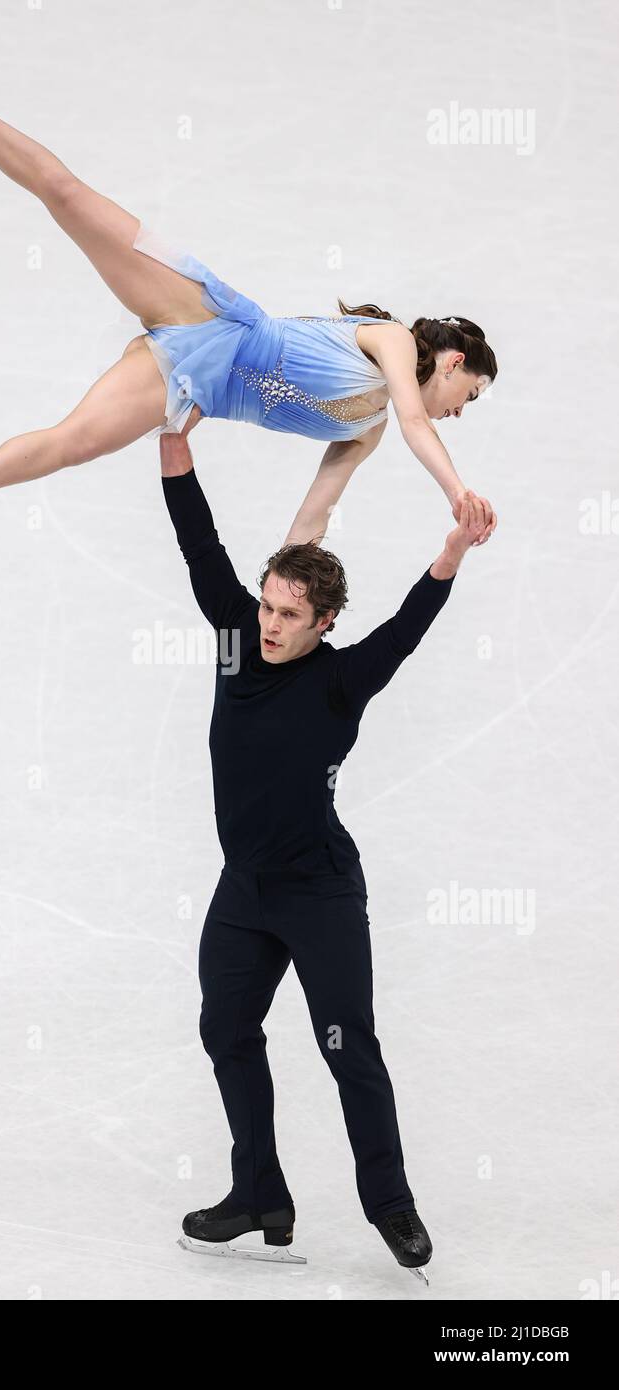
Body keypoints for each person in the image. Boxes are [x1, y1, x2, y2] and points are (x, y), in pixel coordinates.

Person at [0, 20, 498, 550]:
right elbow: (421, 425)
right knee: (69, 200)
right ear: (452, 360)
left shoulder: (366, 430)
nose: (460, 411)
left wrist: (283, 593)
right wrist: (458, 493)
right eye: (469, 394)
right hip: (214, 320)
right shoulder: (389, 339)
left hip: (194, 384)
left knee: (77, 442)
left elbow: (315, 513)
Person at [159, 424, 491, 1278]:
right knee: (226, 1028)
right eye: (266, 605)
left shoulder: (342, 679)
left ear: (325, 622)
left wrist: (452, 546)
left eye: (289, 615)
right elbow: (200, 548)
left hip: (319, 892)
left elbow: (410, 626)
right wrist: (173, 440)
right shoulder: (238, 643)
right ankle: (259, 1195)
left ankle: (392, 1206)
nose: (268, 624)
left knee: (348, 1046)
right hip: (245, 891)